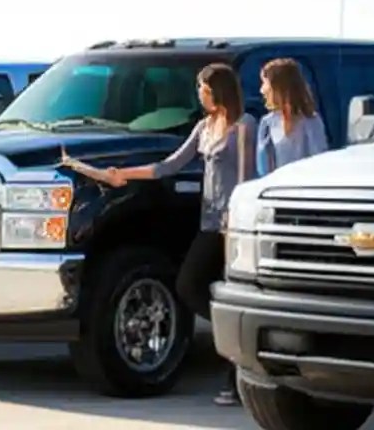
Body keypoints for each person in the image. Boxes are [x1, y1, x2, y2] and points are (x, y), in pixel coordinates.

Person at [99, 63, 256, 407]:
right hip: (208, 223)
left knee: (230, 292)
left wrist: (238, 217)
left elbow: (246, 177)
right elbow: (169, 165)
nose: (198, 94)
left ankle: (237, 378)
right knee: (189, 286)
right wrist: (124, 174)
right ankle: (229, 335)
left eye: (202, 88)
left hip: (233, 227)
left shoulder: (244, 126)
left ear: (218, 91)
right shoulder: (204, 127)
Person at [256, 58, 328, 177]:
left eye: (265, 83)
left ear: (279, 87)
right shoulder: (267, 124)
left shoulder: (310, 122)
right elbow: (263, 169)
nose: (262, 90)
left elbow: (319, 161)